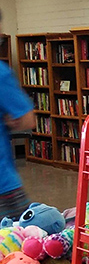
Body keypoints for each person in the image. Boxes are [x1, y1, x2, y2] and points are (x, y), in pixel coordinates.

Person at [0, 27, 35, 220]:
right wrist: (9, 120)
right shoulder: (1, 73)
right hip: (3, 184)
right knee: (18, 233)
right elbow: (27, 120)